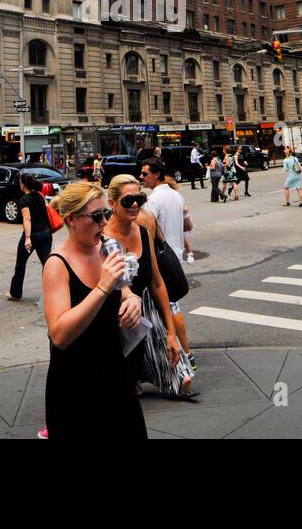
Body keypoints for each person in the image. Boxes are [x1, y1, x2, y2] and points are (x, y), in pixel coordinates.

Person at [41, 181, 146, 440]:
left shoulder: (107, 248)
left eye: (106, 214)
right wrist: (102, 288)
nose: (103, 222)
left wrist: (132, 300)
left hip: (114, 372)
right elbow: (59, 334)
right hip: (75, 383)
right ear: (72, 219)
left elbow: (124, 289)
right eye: (96, 216)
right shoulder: (57, 264)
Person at [105, 174, 186, 395]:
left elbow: (157, 282)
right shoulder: (101, 237)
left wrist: (171, 333)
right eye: (127, 200)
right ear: (111, 203)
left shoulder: (141, 231)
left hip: (136, 331)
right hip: (108, 333)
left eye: (139, 199)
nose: (134, 205)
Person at [141, 158, 196, 373]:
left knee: (169, 307)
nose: (142, 177)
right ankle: (178, 352)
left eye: (145, 174)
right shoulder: (176, 195)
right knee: (170, 306)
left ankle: (185, 353)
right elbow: (188, 225)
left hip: (161, 258)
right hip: (175, 257)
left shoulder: (153, 200)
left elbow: (148, 230)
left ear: (156, 174)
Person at [8, 172, 52, 301]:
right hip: (46, 233)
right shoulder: (39, 195)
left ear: (23, 184)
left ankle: (15, 293)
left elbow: (27, 219)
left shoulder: (24, 200)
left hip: (33, 235)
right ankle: (54, 290)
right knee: (47, 263)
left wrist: (27, 238)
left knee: (20, 263)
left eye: (20, 182)